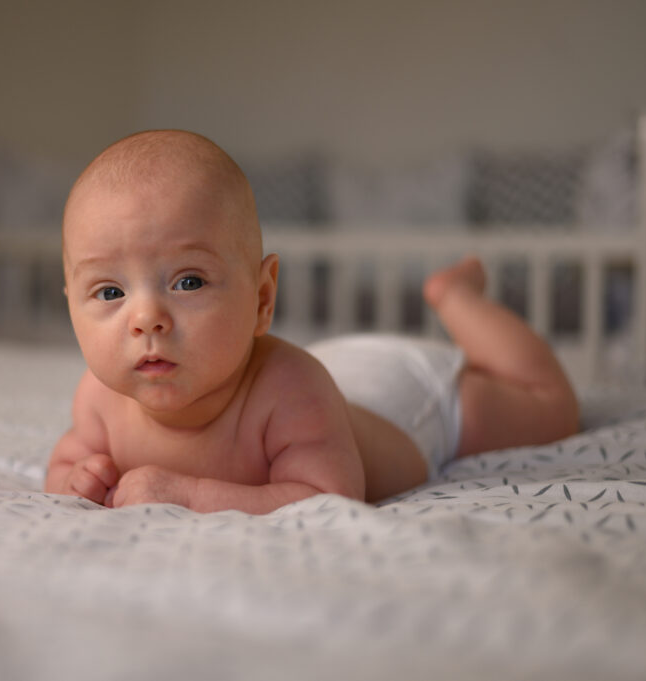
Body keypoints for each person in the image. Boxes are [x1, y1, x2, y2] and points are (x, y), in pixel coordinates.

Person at [44, 130, 579, 511]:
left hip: (406, 400)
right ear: (71, 303)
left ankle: (456, 298)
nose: (147, 319)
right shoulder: (98, 399)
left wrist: (186, 496)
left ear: (261, 298)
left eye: (188, 282)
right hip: (341, 374)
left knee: (550, 409)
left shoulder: (290, 390)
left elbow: (329, 499)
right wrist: (77, 481)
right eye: (110, 291)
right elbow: (62, 469)